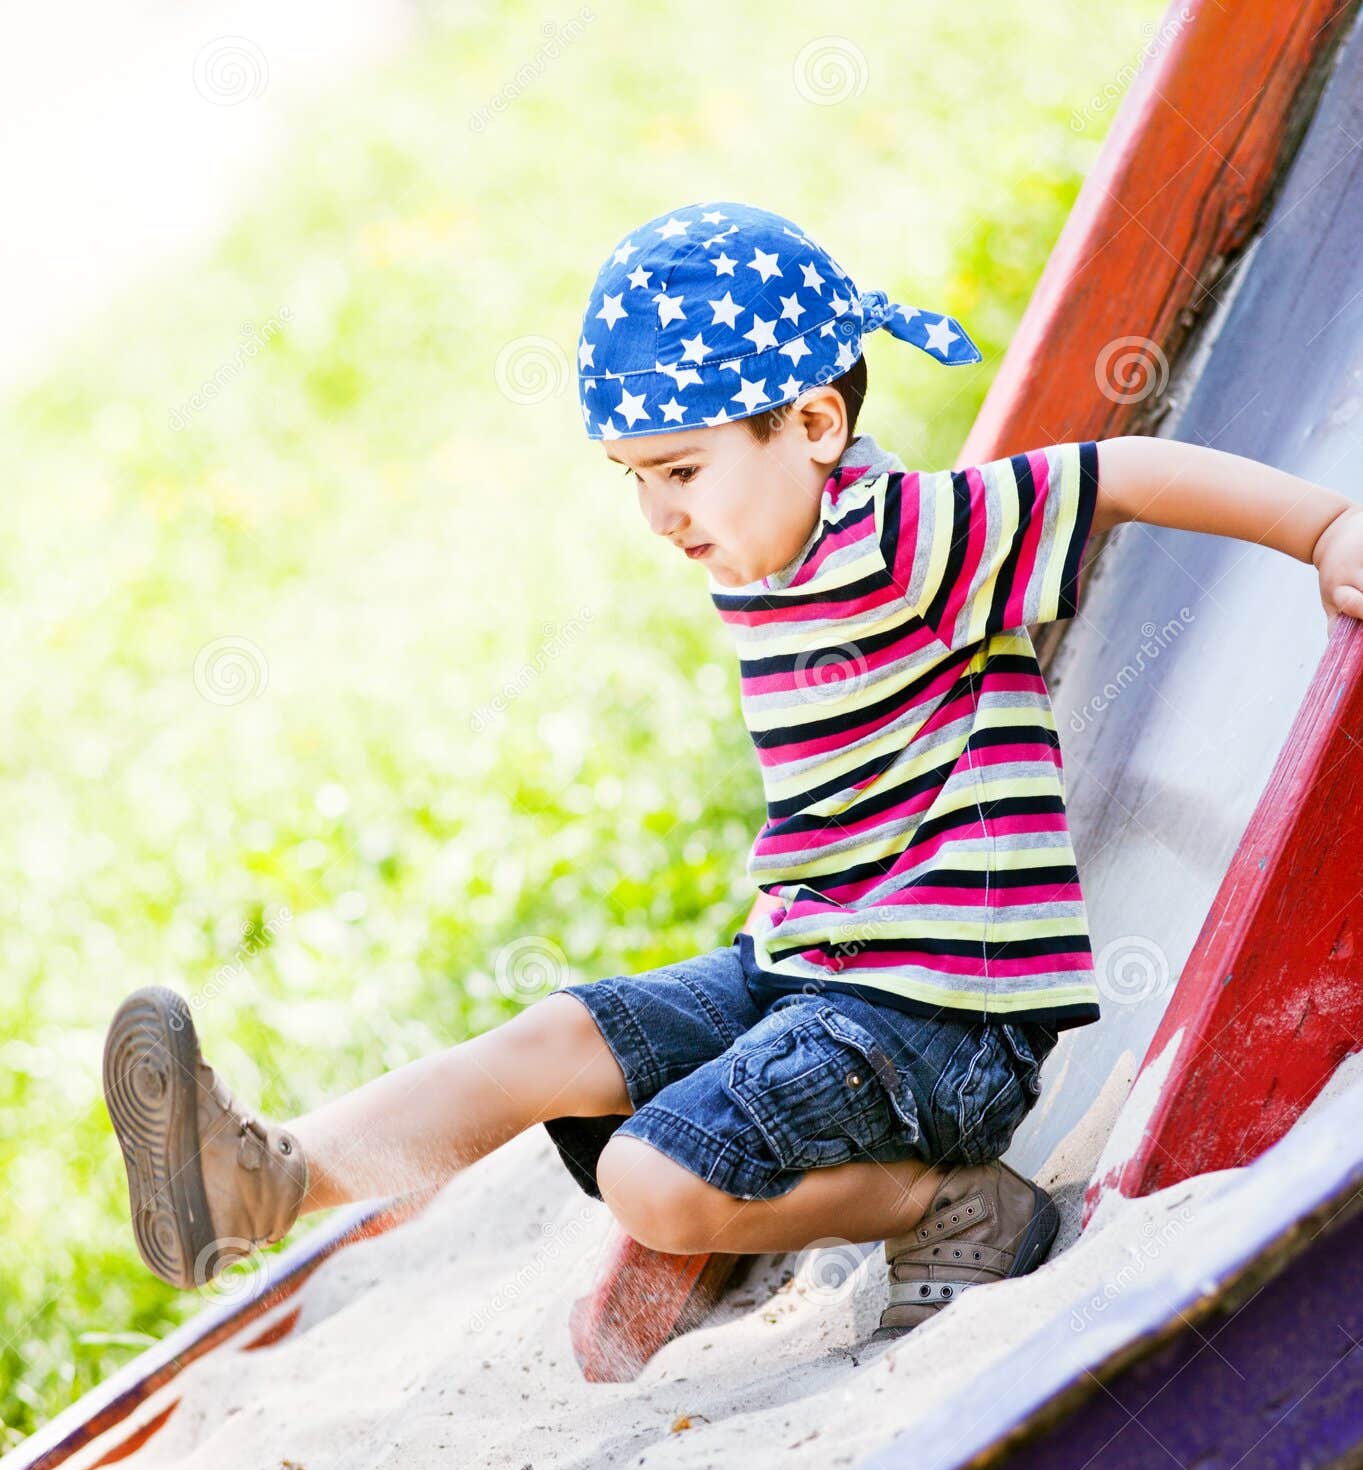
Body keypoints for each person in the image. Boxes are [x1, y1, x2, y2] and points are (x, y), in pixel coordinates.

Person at [102, 199, 1363, 1343]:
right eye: (635, 478)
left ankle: (947, 1202)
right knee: (553, 1037)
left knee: (645, 1180)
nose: (658, 515)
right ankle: (267, 1181)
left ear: (814, 426)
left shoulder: (903, 534)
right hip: (810, 968)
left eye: (680, 471)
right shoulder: (762, 551)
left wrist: (1321, 527)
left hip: (942, 1019)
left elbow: (1119, 475)